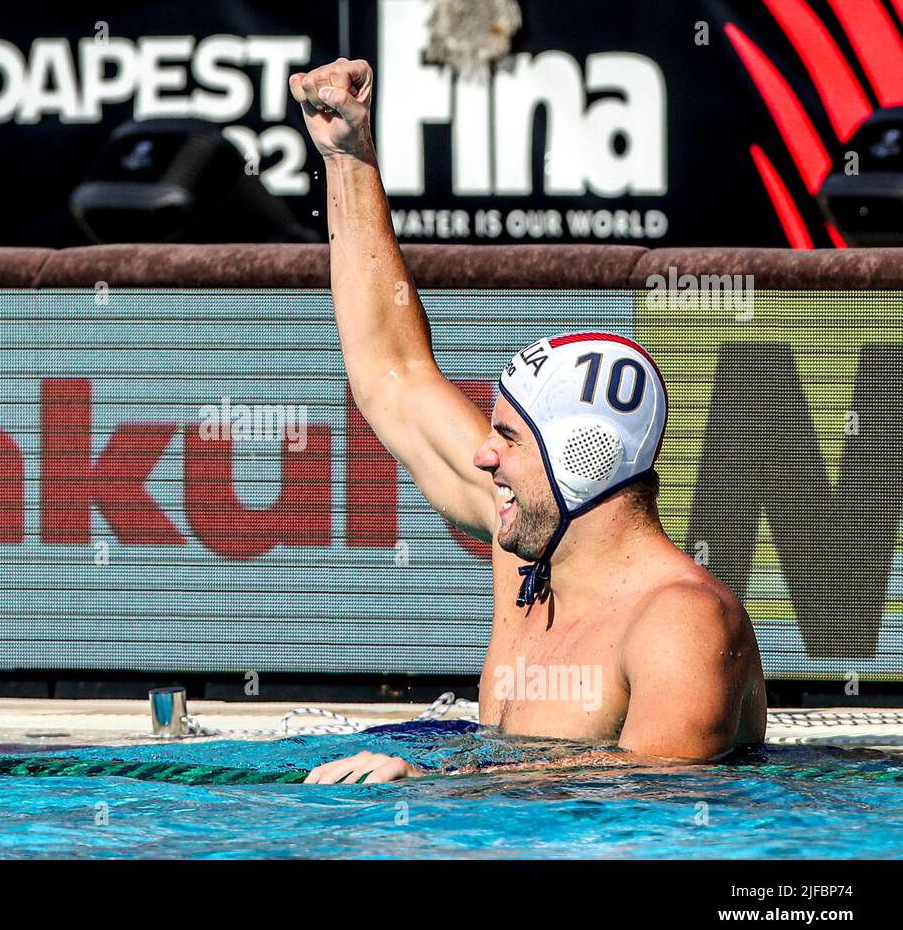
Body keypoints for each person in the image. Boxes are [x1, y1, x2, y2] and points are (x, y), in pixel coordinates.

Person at [288, 58, 767, 785]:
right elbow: (392, 376)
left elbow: (659, 790)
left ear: (582, 457)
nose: (483, 456)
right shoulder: (532, 552)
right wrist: (346, 157)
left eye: (508, 438)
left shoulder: (682, 622)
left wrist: (440, 791)